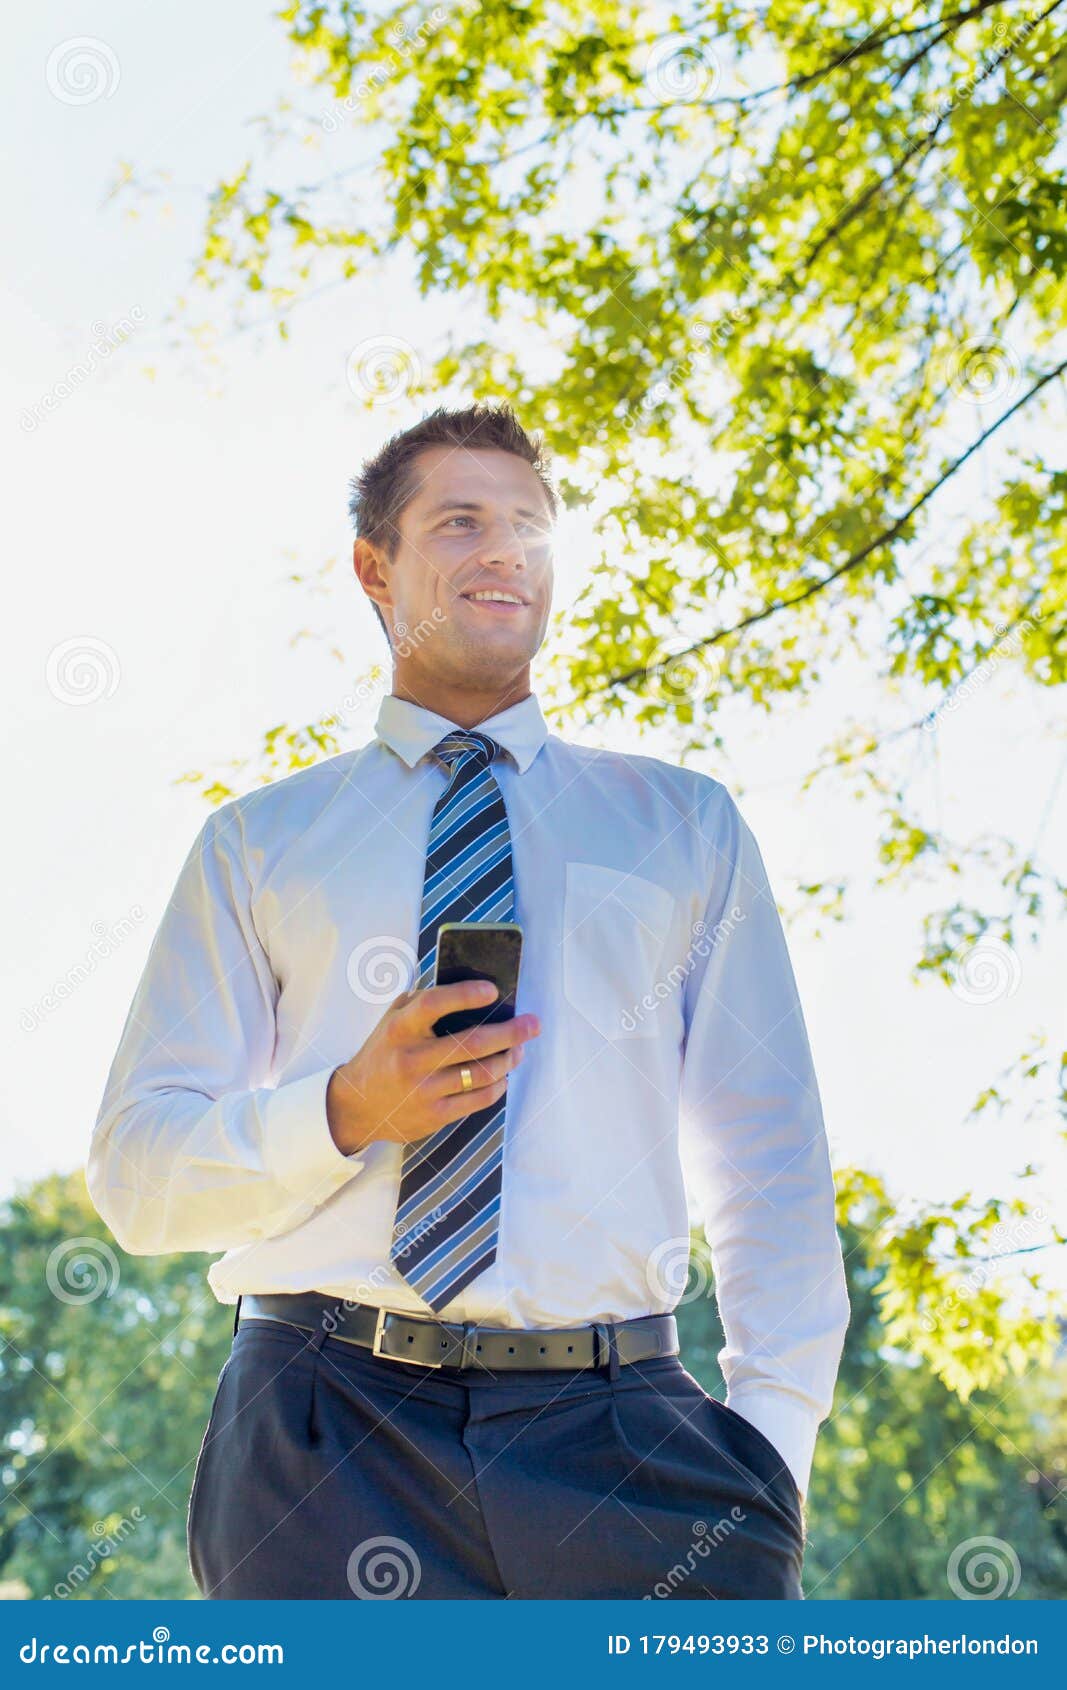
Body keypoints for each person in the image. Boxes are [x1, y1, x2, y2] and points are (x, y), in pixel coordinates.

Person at [87, 401, 850, 1601]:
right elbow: (137, 1176)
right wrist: (344, 1108)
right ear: (373, 568)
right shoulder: (256, 845)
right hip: (320, 1435)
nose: (504, 549)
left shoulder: (682, 825)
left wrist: (770, 1440)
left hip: (630, 1447)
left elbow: (771, 1151)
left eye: (529, 524)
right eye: (459, 520)